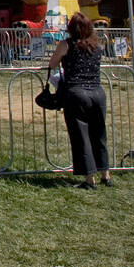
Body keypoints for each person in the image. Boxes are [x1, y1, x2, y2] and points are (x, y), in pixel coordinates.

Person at [47, 12, 110, 188]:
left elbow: (52, 63)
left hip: (76, 93)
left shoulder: (67, 45)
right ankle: (106, 174)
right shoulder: (97, 46)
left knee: (81, 136)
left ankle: (90, 179)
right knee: (99, 135)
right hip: (98, 92)